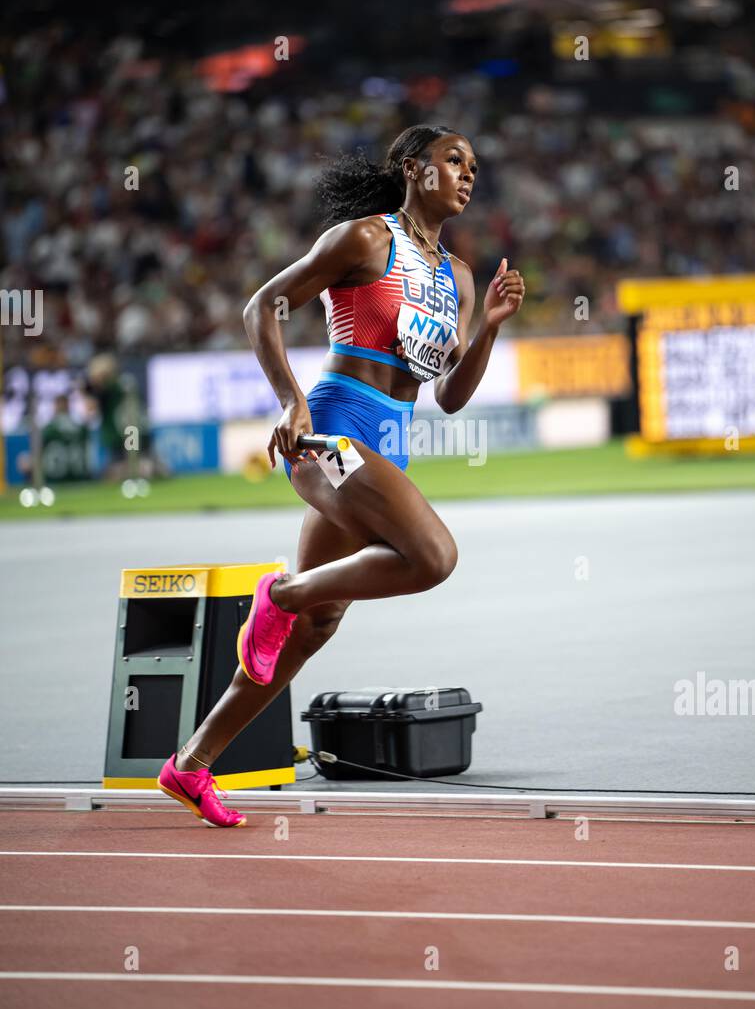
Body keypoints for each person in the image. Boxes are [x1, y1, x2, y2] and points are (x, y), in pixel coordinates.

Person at [158, 124, 524, 826]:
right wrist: (292, 401)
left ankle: (192, 764)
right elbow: (260, 305)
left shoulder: (460, 278)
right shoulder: (364, 240)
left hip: (388, 448)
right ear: (415, 170)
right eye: (454, 160)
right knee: (434, 557)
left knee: (317, 624)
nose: (468, 173)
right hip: (328, 436)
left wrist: (491, 329)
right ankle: (280, 592)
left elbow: (447, 395)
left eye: (474, 164)